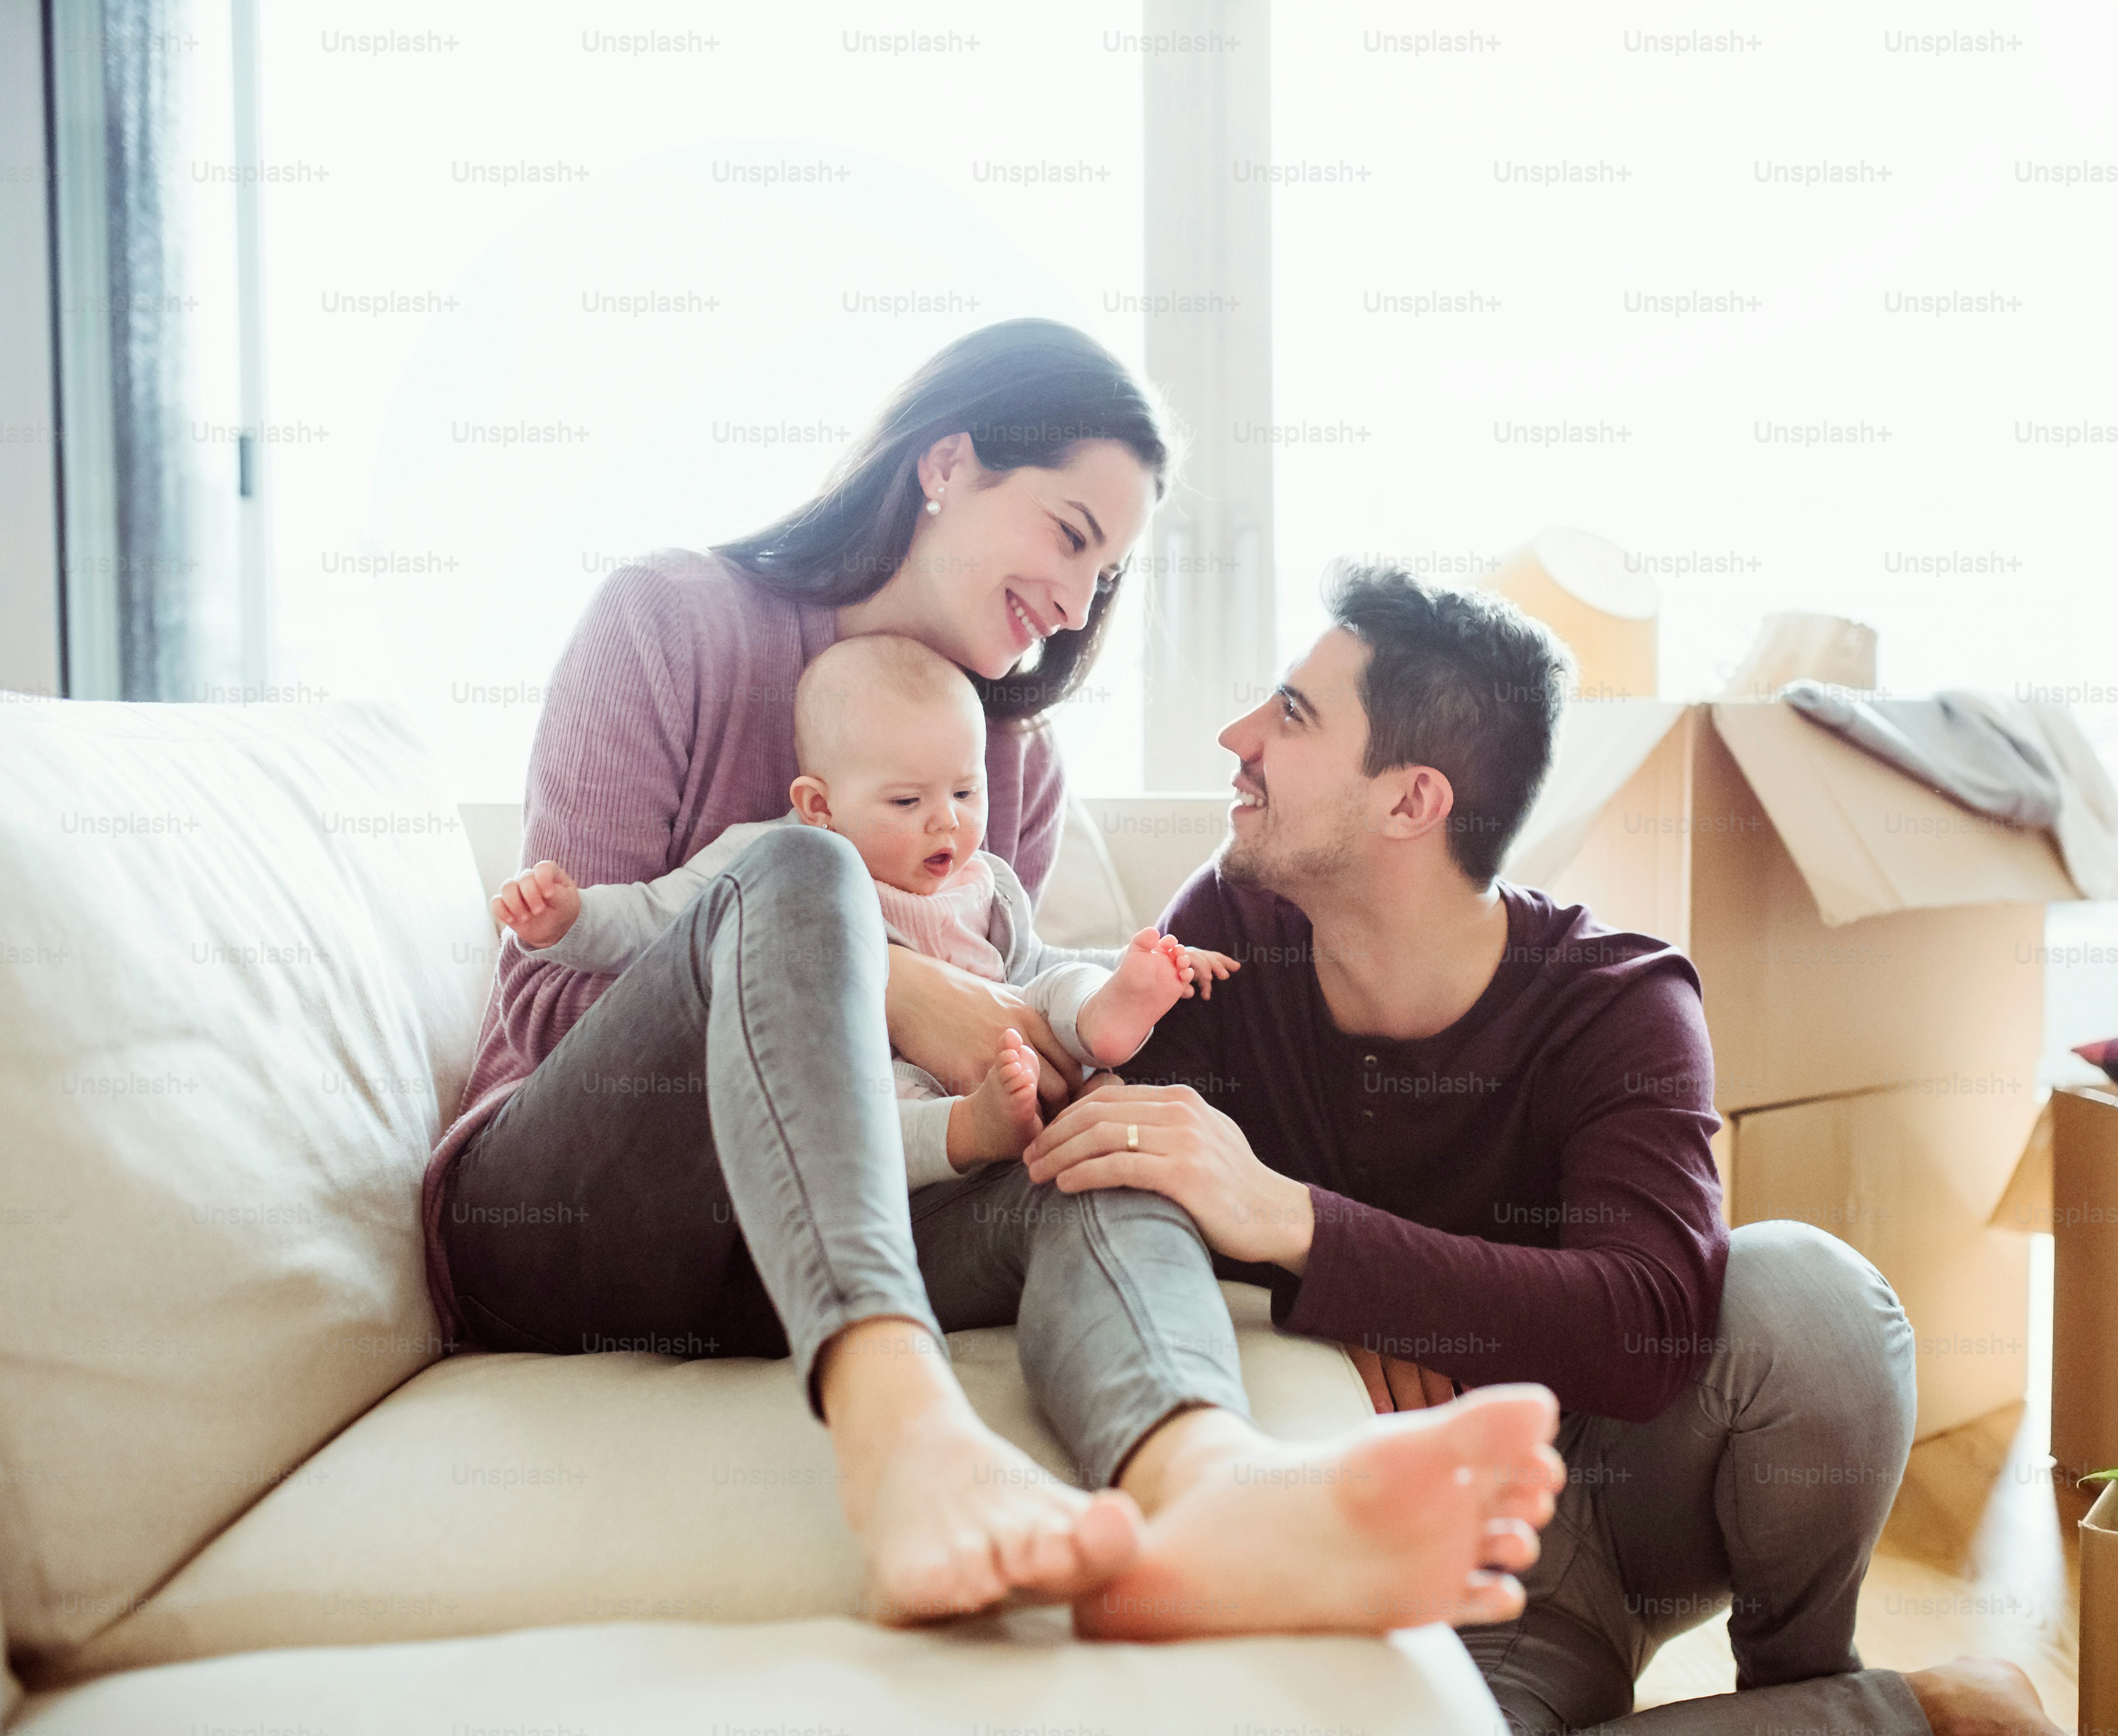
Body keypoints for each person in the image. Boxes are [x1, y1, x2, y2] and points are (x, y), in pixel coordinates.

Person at [423, 323, 1561, 1635]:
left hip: (805, 1244)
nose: (1081, 606)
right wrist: (897, 987)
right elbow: (554, 1008)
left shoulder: (1009, 765)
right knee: (801, 873)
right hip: (567, 1222)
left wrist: (1052, 1048)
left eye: (1111, 573)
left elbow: (1014, 1039)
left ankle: (1212, 1497)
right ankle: (901, 1434)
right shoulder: (670, 626)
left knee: (1104, 1155)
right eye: (1072, 535)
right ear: (946, 465)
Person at [1020, 564, 2068, 1731]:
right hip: (1414, 1554)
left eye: (1294, 715)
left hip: (1614, 1502)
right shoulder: (1224, 930)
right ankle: (1895, 1717)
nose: (1239, 737)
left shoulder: (1619, 997)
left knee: (1815, 1296)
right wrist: (1354, 1293)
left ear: (1412, 801)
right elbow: (1131, 1178)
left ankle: (1796, 1679)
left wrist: (1305, 1226)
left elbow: (1653, 1315)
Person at [487, 631, 1240, 1172]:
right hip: (884, 1066)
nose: (946, 821)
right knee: (863, 1104)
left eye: (965, 791)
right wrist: (569, 921)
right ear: (819, 805)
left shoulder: (985, 881)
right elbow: (655, 923)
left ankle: (1117, 1018)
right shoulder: (772, 858)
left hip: (1005, 1031)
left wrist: (1133, 967)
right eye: (908, 800)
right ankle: (966, 1132)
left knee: (1054, 985)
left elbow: (1033, 965)